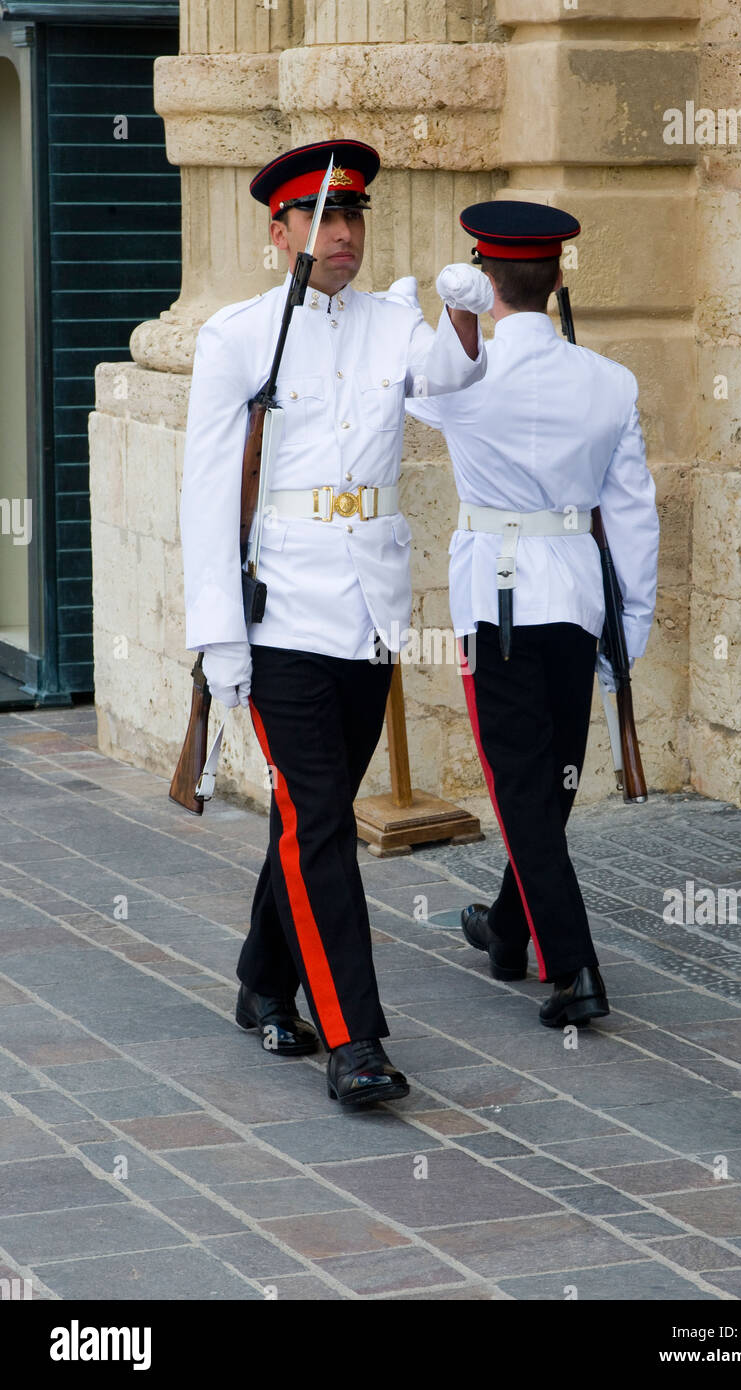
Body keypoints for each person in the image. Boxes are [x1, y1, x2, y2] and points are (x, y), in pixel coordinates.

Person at [179, 140, 493, 1106]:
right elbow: (204, 495)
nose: (342, 235)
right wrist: (219, 639)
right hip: (282, 612)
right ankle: (355, 1039)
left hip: (368, 611)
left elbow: (448, 382)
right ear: (279, 234)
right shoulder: (238, 338)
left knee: (302, 819)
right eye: (319, 220)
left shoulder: (392, 321)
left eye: (352, 217)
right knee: (321, 824)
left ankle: (262, 981)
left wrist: (464, 314)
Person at [404, 200, 659, 1029]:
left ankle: (574, 967)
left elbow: (420, 385)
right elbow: (632, 517)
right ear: (557, 278)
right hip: (577, 599)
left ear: (487, 275)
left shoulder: (466, 379)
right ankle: (507, 929)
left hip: (502, 605)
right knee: (550, 782)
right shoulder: (611, 383)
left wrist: (455, 315)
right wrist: (633, 626)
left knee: (522, 788)